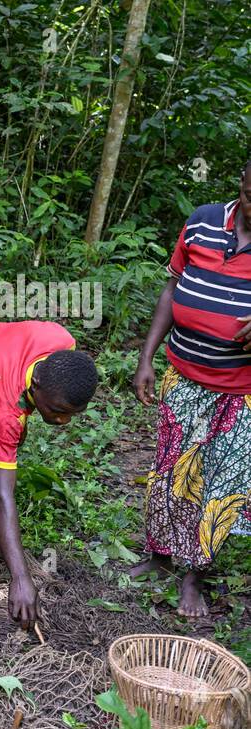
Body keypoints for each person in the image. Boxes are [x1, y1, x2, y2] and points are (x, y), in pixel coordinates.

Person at [129, 161, 251, 617]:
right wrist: (146, 358)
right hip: (183, 376)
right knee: (169, 471)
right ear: (241, 184)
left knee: (221, 486)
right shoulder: (201, 221)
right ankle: (159, 556)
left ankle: (193, 577)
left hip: (240, 393)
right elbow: (172, 287)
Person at [0, 321, 99, 628]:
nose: (64, 420)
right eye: (58, 409)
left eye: (73, 413)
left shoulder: (62, 341)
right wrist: (21, 579)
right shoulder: (4, 410)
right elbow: (2, 496)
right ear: (36, 385)